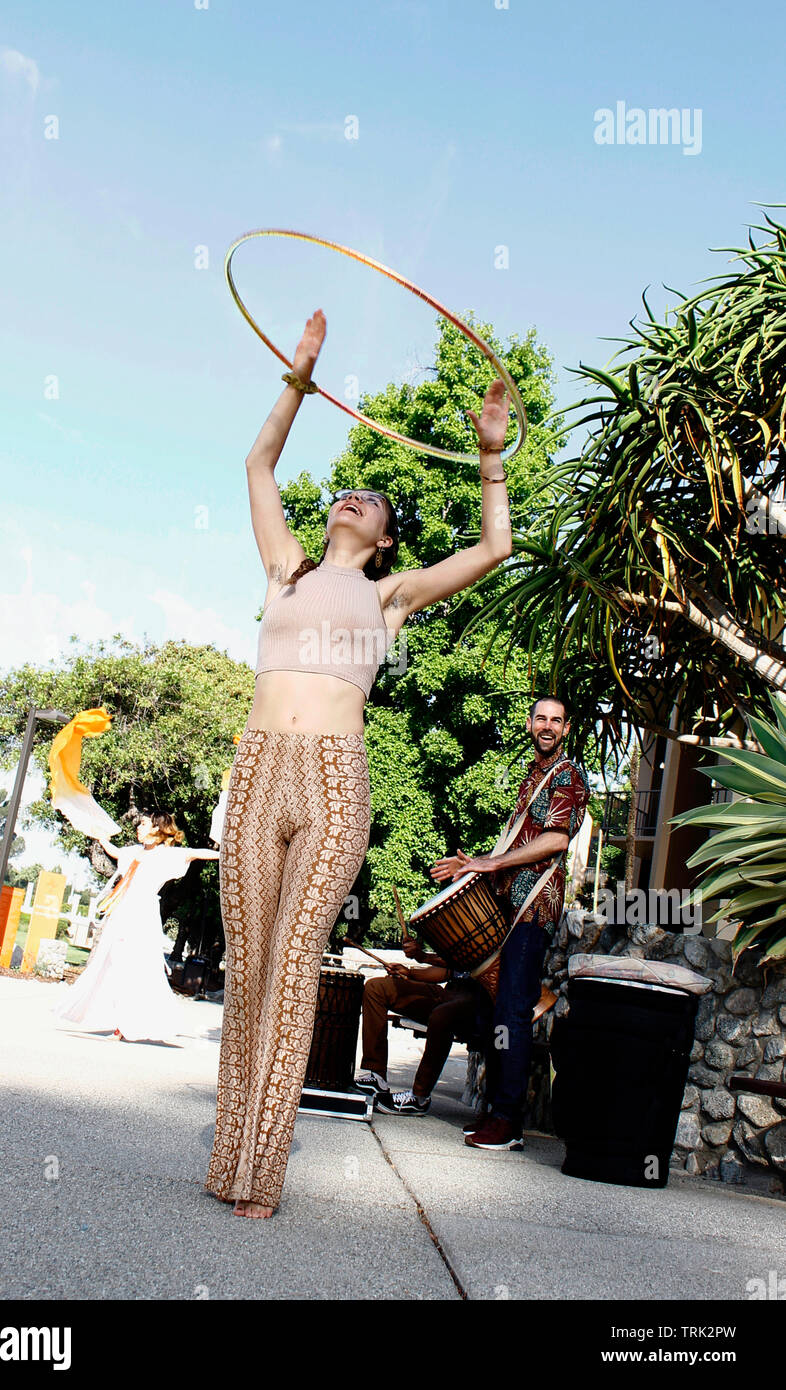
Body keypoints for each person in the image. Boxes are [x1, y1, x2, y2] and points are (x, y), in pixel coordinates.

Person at [204, 307, 514, 1217]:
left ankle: (262, 1176)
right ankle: (229, 1161)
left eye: (371, 504)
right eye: (348, 492)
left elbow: (496, 549)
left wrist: (490, 453)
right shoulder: (287, 569)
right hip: (260, 770)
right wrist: (298, 375)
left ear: (383, 540)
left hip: (336, 780)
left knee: (298, 962)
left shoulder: (389, 598)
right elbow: (258, 465)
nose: (352, 500)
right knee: (249, 964)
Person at [430, 696, 589, 1151]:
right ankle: (496, 1114)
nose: (548, 726)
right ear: (529, 723)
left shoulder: (568, 777)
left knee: (513, 1011)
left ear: (566, 728)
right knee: (493, 1010)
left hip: (533, 909)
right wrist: (474, 865)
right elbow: (518, 842)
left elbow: (556, 840)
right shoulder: (533, 776)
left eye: (556, 720)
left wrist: (487, 863)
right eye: (541, 718)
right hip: (507, 906)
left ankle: (508, 1122)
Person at [52, 811, 218, 1042]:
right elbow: (116, 851)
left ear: (157, 828)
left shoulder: (166, 855)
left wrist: (226, 852)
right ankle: (117, 1021)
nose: (138, 828)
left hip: (142, 915)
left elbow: (195, 853)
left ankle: (126, 1024)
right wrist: (101, 838)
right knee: (112, 964)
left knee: (135, 966)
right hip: (123, 913)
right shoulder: (134, 853)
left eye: (143, 824)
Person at [355, 939, 500, 1113]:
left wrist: (422, 956)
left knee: (442, 1014)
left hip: (480, 1002)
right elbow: (447, 971)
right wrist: (410, 973)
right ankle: (376, 1076)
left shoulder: (500, 933)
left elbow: (467, 962)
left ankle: (419, 1097)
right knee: (375, 988)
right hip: (450, 993)